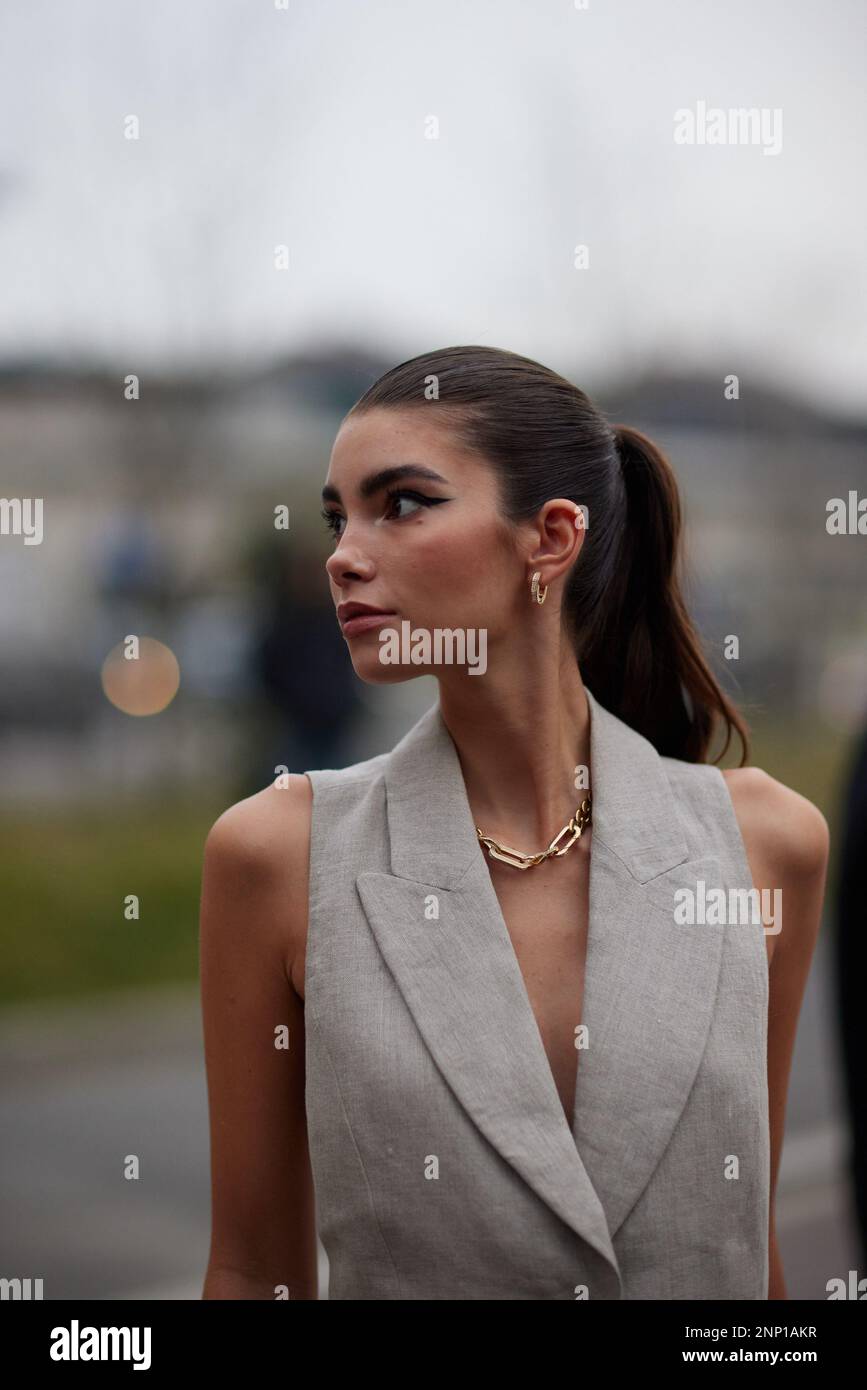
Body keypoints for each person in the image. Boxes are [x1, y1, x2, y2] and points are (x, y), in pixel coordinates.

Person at [199, 345, 829, 1301]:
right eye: (338, 515)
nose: (341, 553)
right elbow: (251, 1273)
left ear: (550, 538)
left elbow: (748, 1249)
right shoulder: (278, 854)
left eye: (400, 502)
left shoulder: (766, 846)